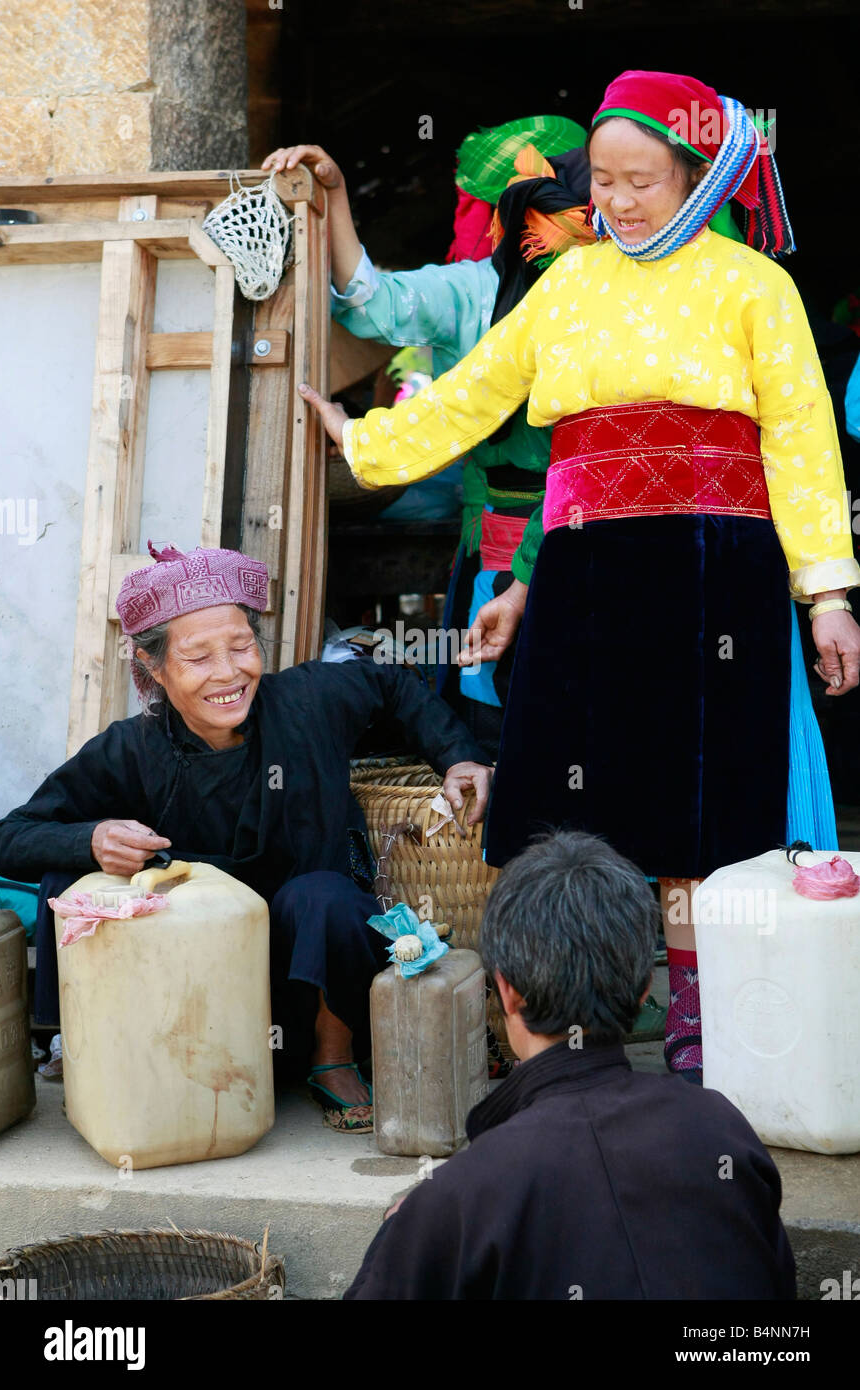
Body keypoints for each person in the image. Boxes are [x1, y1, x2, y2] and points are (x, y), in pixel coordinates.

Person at [300, 69, 860, 1085]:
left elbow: (802, 442)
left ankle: (695, 1050)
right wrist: (367, 441)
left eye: (641, 178)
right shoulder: (567, 285)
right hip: (587, 576)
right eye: (601, 179)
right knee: (564, 814)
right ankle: (572, 1041)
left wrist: (825, 591)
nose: (617, 200)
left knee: (695, 827)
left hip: (711, 578)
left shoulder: (751, 286)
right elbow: (472, 396)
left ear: (699, 174)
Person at [0, 543, 493, 1134]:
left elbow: (391, 686)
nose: (229, 673)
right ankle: (115, 1055)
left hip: (308, 978)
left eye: (241, 646)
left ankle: (331, 1059)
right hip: (197, 987)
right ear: (155, 669)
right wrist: (94, 838)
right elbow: (11, 836)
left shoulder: (309, 701)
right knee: (68, 879)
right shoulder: (132, 749)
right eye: (198, 657)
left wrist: (459, 756)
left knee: (325, 897)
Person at [344, 830, 796, 1300]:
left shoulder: (457, 1202)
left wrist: (397, 1234)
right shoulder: (723, 1131)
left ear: (507, 992)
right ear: (646, 990)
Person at [263, 119, 595, 757]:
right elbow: (373, 302)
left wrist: (359, 435)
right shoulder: (475, 289)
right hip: (505, 536)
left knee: (552, 706)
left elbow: (377, 310)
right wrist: (332, 195)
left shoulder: (611, 292)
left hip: (581, 528)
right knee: (510, 707)